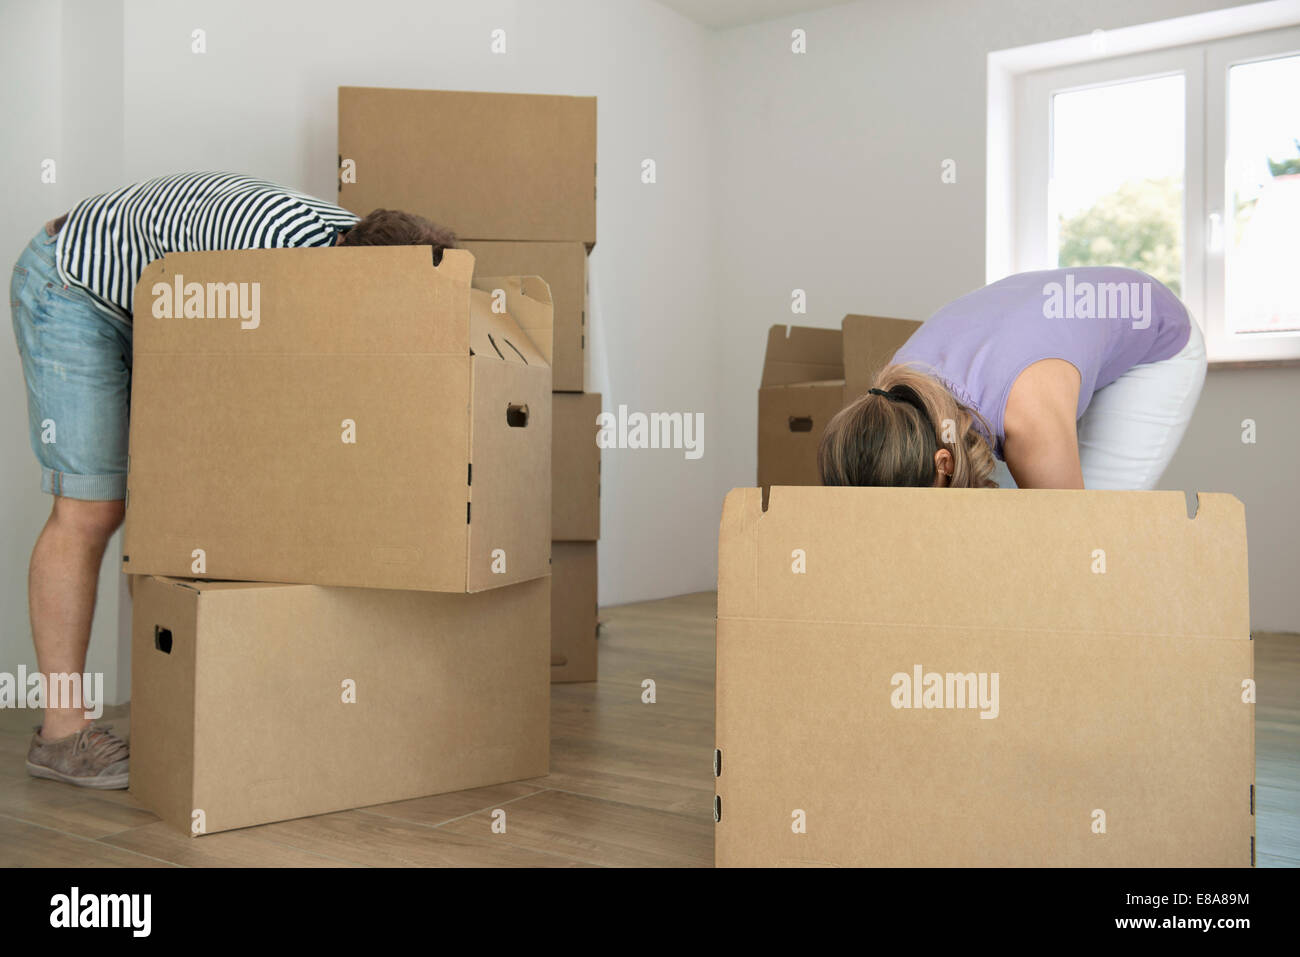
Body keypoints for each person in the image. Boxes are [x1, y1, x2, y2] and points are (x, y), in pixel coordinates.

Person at [9, 171, 456, 788]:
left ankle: (176, 708)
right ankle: (60, 734)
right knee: (93, 508)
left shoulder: (352, 256)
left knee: (178, 503)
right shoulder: (271, 257)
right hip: (75, 287)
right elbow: (227, 376)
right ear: (354, 276)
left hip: (160, 299)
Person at [818, 266, 1207, 491]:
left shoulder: (1025, 415)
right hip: (1041, 338)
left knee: (1088, 536)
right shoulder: (893, 395)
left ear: (943, 464)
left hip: (1153, 332)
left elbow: (1074, 541)